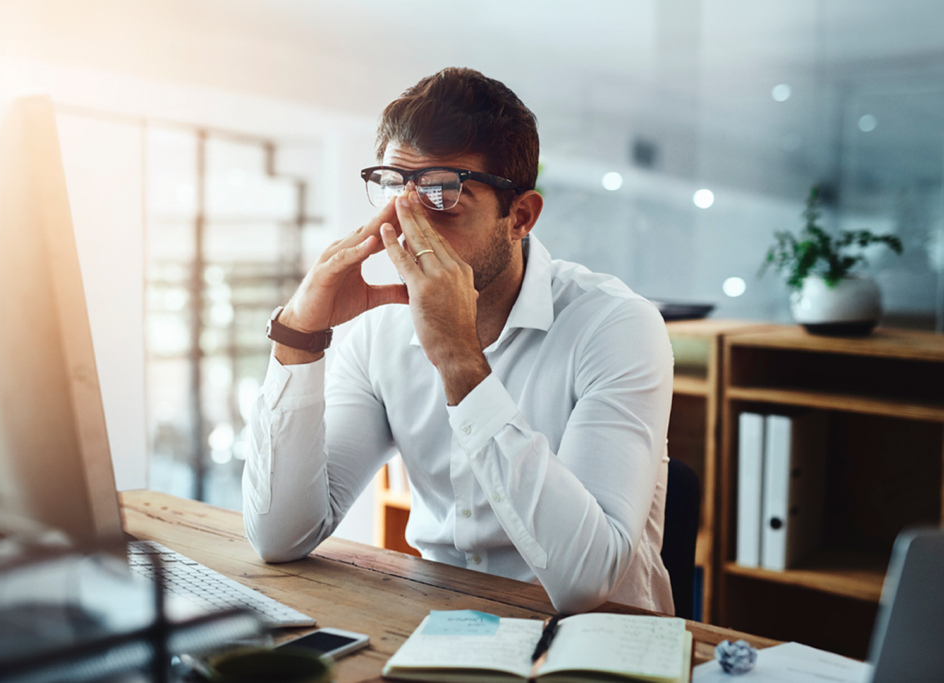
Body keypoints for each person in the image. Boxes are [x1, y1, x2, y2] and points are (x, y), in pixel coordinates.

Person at [242, 67, 674, 615]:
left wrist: (458, 360)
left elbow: (587, 582)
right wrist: (299, 335)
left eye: (443, 193)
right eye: (395, 188)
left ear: (520, 216)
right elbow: (281, 536)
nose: (406, 225)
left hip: (593, 642)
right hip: (437, 626)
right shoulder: (380, 331)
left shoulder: (616, 325)